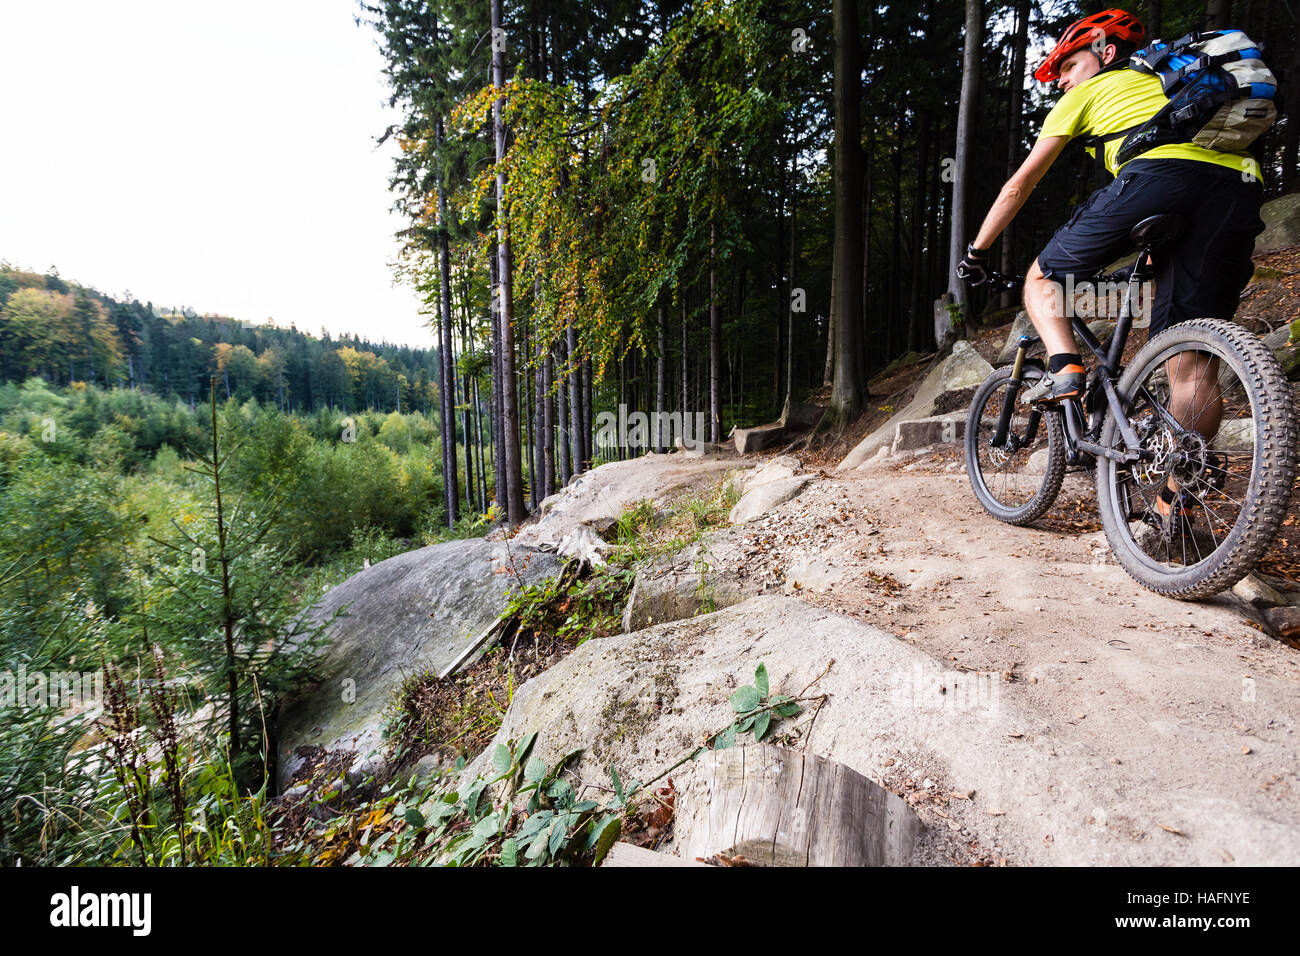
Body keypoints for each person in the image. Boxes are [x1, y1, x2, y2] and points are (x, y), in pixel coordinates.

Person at [958, 7, 1265, 529]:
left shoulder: (1090, 92)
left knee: (1042, 279)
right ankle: (1175, 504)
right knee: (1189, 360)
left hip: (1160, 178)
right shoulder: (1176, 87)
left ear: (1104, 53)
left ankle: (1065, 370)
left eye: (1069, 66)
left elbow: (1020, 183)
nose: (1062, 80)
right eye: (1057, 74)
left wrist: (976, 252)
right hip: (1236, 188)